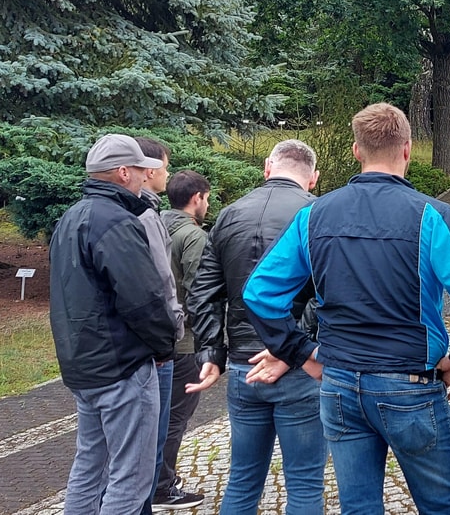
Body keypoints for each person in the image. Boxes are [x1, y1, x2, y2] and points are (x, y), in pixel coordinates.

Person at [242, 103, 450, 515]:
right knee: (443, 507)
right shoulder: (432, 216)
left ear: (357, 151)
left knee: (358, 508)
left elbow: (259, 293)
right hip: (408, 383)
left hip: (340, 383)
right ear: (408, 150)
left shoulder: (313, 215)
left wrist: (300, 352)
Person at [184, 139, 326, 514]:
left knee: (243, 480)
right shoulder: (317, 215)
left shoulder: (229, 215)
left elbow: (202, 294)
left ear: (267, 167)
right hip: (298, 366)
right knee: (305, 484)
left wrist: (211, 353)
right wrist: (292, 349)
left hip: (243, 365)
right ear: (313, 178)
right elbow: (329, 293)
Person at [49, 133, 177, 514]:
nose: (144, 177)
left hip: (83, 365)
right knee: (130, 478)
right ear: (123, 172)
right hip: (121, 366)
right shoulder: (118, 221)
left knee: (89, 468)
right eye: (140, 170)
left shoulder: (70, 218)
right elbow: (144, 299)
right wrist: (164, 345)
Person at [133, 136, 190, 513]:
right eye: (165, 168)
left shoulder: (150, 214)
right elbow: (160, 285)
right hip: (157, 349)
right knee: (148, 443)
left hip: (135, 347)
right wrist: (171, 334)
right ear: (148, 170)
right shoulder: (145, 217)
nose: (167, 175)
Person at [155, 169, 212, 510]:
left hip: (155, 339)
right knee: (175, 417)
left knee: (157, 415)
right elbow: (197, 292)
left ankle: (154, 480)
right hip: (183, 341)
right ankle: (161, 486)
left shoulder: (155, 224)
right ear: (196, 198)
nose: (207, 205)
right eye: (206, 198)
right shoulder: (193, 236)